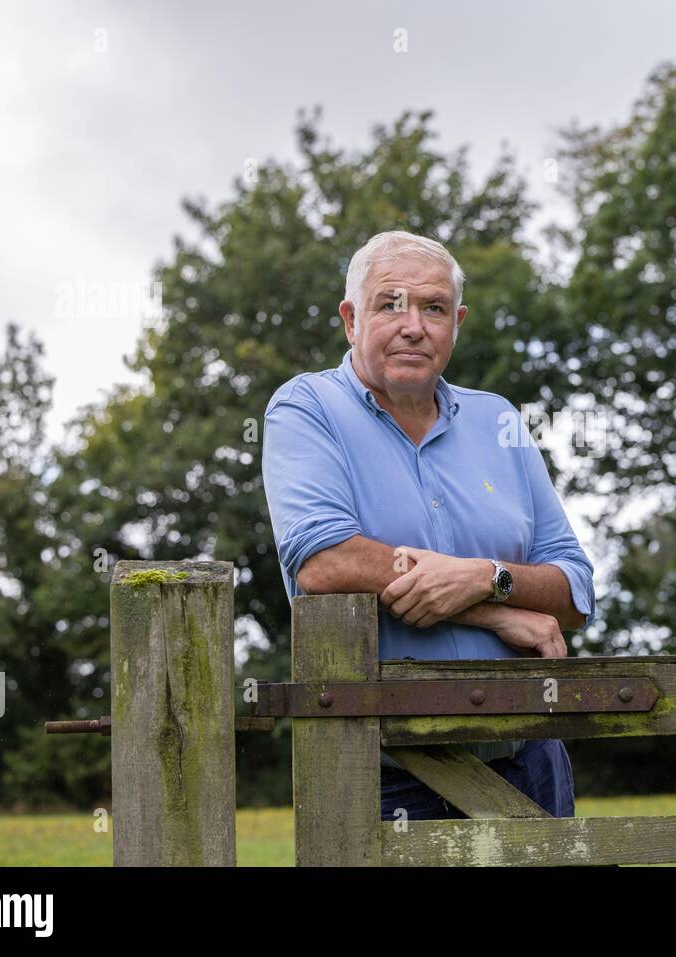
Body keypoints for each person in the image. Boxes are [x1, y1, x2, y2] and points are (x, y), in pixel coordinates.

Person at [261, 229, 595, 821]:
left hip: (530, 762)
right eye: (389, 303)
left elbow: (574, 589)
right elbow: (323, 561)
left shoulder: (499, 418)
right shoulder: (306, 408)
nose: (413, 324)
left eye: (433, 307)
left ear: (456, 322)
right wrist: (493, 607)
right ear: (350, 319)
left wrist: (487, 576)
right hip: (390, 773)